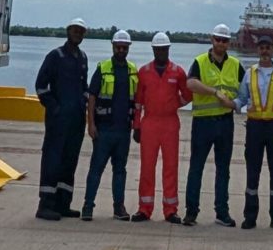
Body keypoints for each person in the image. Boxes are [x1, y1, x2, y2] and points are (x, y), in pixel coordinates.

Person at [182, 23, 241, 227]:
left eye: (224, 40)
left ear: (229, 43)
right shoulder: (200, 62)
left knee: (223, 169)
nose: (221, 43)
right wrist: (215, 92)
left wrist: (235, 104)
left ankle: (222, 212)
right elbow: (190, 83)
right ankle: (191, 212)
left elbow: (246, 90)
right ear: (212, 39)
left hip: (225, 122)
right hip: (203, 122)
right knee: (196, 167)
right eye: (218, 39)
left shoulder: (235, 64)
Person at [33, 18, 88, 221]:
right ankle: (45, 205)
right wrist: (55, 108)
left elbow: (84, 87)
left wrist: (84, 103)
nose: (77, 34)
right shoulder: (55, 56)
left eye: (81, 31)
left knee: (69, 161)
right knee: (52, 160)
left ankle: (63, 203)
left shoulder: (82, 57)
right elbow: (41, 86)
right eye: (75, 30)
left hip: (76, 121)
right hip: (58, 121)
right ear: (68, 31)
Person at [132, 31, 191, 223]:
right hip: (149, 123)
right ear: (153, 50)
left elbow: (188, 95)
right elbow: (138, 102)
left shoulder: (178, 72)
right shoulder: (143, 72)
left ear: (168, 49)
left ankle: (170, 210)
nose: (161, 52)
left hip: (170, 123)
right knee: (147, 167)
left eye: (163, 49)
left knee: (171, 167)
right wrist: (137, 125)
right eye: (157, 49)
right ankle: (144, 208)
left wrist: (175, 104)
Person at [237, 35, 273, 230]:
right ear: (257, 50)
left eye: (268, 47)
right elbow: (242, 98)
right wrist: (229, 103)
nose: (265, 51)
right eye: (261, 47)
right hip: (254, 128)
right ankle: (250, 216)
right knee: (252, 171)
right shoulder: (250, 73)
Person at [81, 30, 139, 221]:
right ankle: (88, 206)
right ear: (113, 46)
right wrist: (91, 124)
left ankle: (118, 208)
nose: (121, 50)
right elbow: (92, 97)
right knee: (96, 169)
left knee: (120, 170)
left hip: (124, 130)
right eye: (118, 47)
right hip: (104, 129)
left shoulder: (133, 70)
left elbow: (138, 100)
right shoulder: (103, 68)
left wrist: (137, 125)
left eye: (124, 47)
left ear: (128, 48)